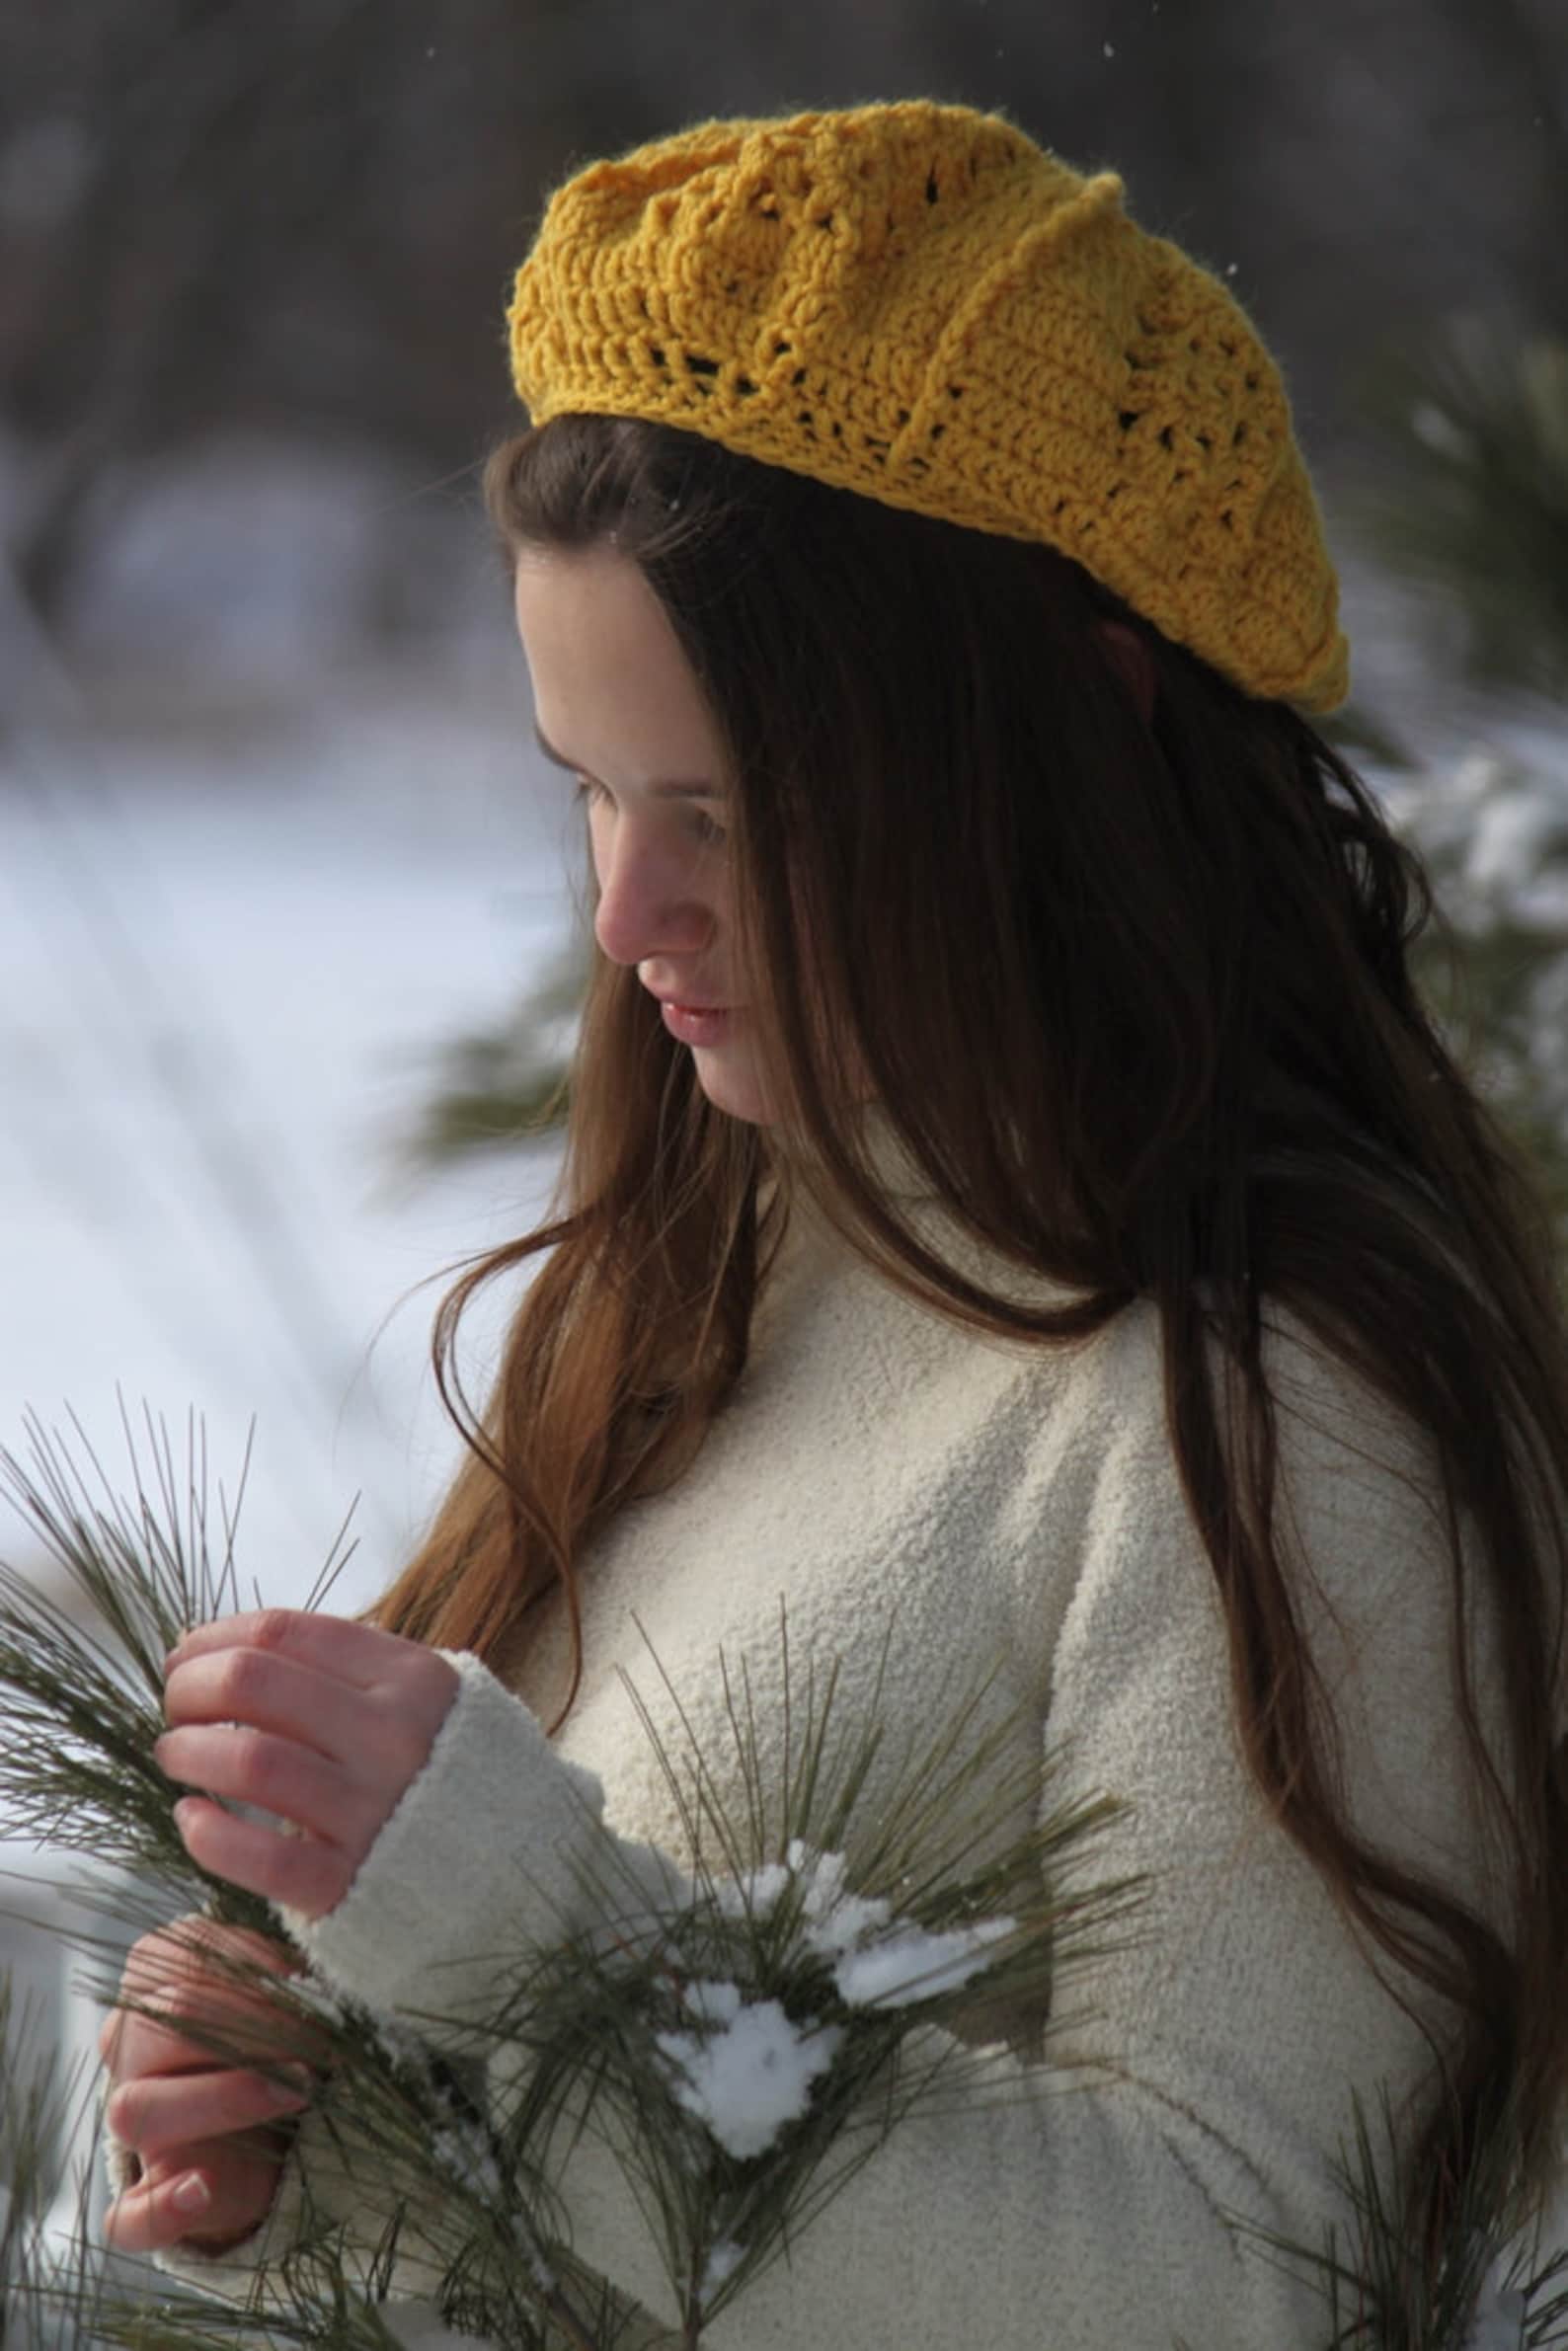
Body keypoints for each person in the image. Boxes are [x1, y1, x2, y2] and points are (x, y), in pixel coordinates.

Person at [98, 100, 1568, 2347]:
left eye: (726, 809)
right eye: (590, 792)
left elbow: (1228, 2285)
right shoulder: (738, 1265)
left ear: (1074, 740)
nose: (624, 917)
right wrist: (323, 2143)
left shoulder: (1277, 1407)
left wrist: (522, 1943)